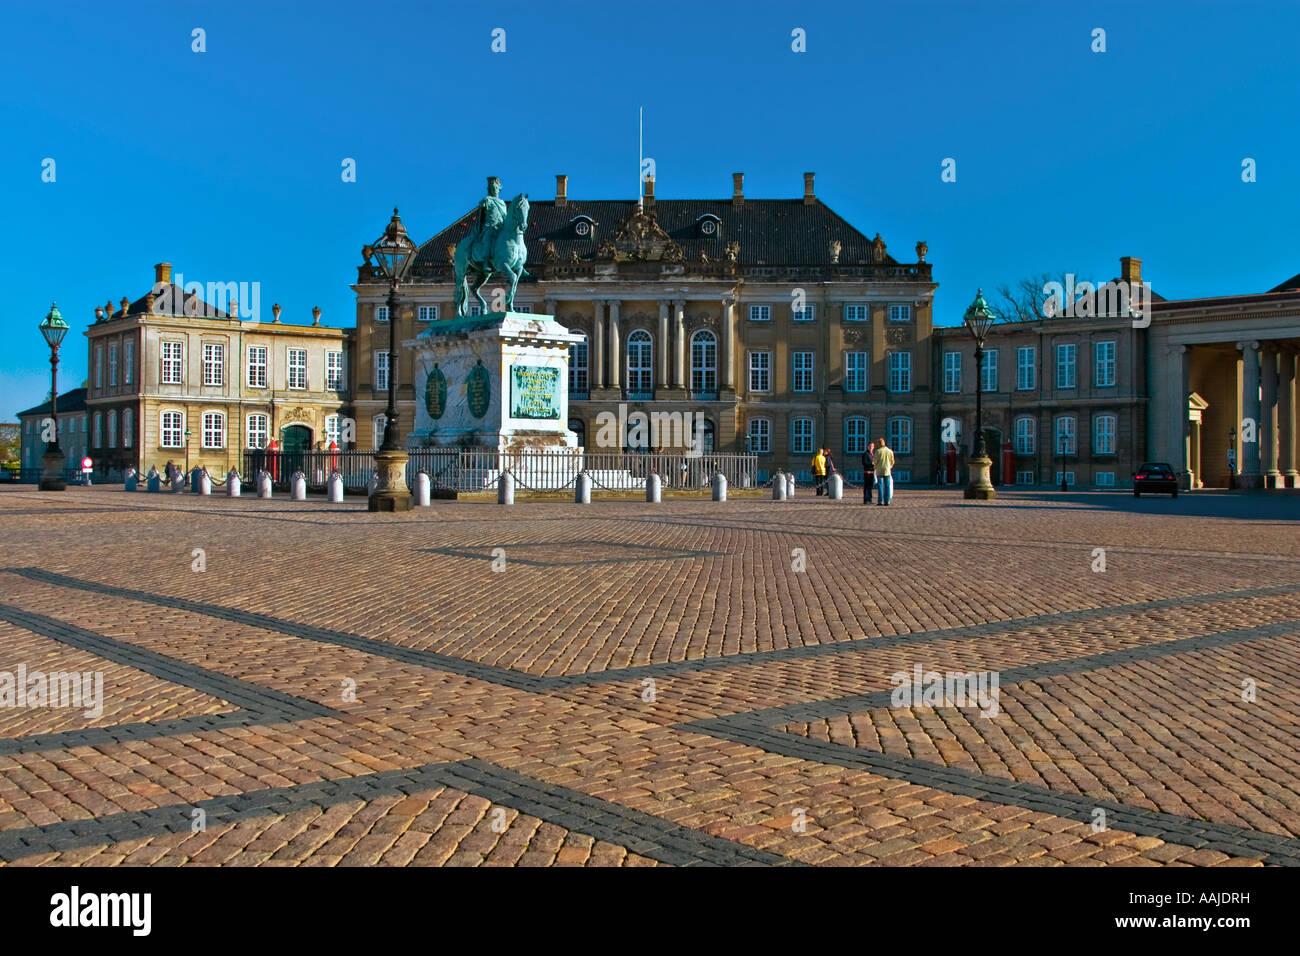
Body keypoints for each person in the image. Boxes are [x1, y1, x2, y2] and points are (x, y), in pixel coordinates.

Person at [873, 437, 895, 505]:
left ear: (879, 444)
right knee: (887, 486)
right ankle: (887, 501)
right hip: (887, 470)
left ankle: (880, 501)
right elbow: (892, 461)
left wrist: (875, 467)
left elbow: (875, 461)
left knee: (880, 486)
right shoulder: (889, 451)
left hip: (880, 470)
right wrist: (890, 467)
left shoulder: (878, 451)